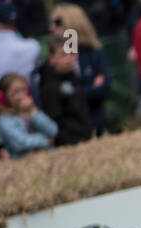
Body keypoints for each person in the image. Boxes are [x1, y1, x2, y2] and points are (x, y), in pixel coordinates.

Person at [49, 5, 110, 135]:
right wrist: (87, 89)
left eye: (58, 22)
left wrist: (72, 92)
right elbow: (54, 97)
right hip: (69, 131)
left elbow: (104, 89)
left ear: (73, 22)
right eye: (51, 23)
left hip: (97, 124)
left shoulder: (94, 53)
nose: (52, 28)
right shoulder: (51, 60)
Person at [37, 33, 93, 144]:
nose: (68, 59)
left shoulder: (74, 77)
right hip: (67, 140)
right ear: (51, 59)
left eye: (71, 53)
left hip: (85, 136)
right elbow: (54, 118)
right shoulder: (49, 86)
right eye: (63, 55)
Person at [0, 71, 57, 157]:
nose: (21, 95)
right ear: (3, 97)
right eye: (15, 92)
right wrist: (46, 141)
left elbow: (53, 131)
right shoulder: (4, 119)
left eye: (24, 90)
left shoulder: (31, 111)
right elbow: (20, 143)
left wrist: (33, 111)